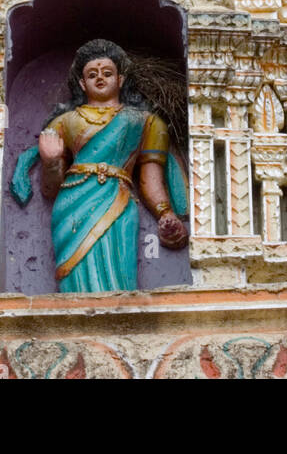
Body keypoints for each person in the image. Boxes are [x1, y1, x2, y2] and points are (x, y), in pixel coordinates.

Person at [11, 39, 188, 294]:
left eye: (107, 73)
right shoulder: (63, 122)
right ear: (82, 83)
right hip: (72, 205)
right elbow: (50, 190)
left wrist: (165, 213)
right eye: (92, 74)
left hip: (117, 201)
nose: (100, 79)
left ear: (121, 79)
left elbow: (151, 179)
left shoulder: (146, 122)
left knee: (118, 278)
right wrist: (51, 161)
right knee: (74, 283)